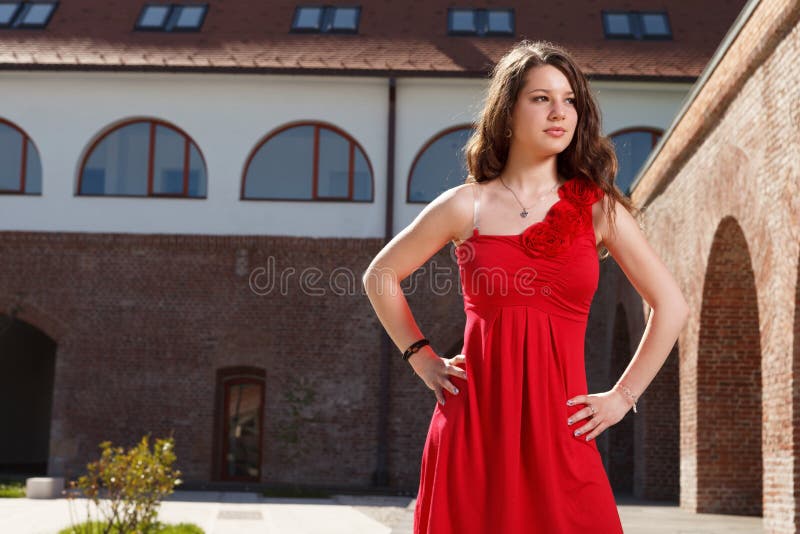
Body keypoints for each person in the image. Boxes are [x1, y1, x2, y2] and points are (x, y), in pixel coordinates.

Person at [361, 39, 690, 534]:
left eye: (569, 99)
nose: (560, 112)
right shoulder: (464, 205)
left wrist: (623, 397)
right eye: (541, 98)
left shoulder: (598, 209)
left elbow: (671, 305)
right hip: (473, 431)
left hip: (561, 432)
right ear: (508, 112)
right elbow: (379, 276)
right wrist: (423, 358)